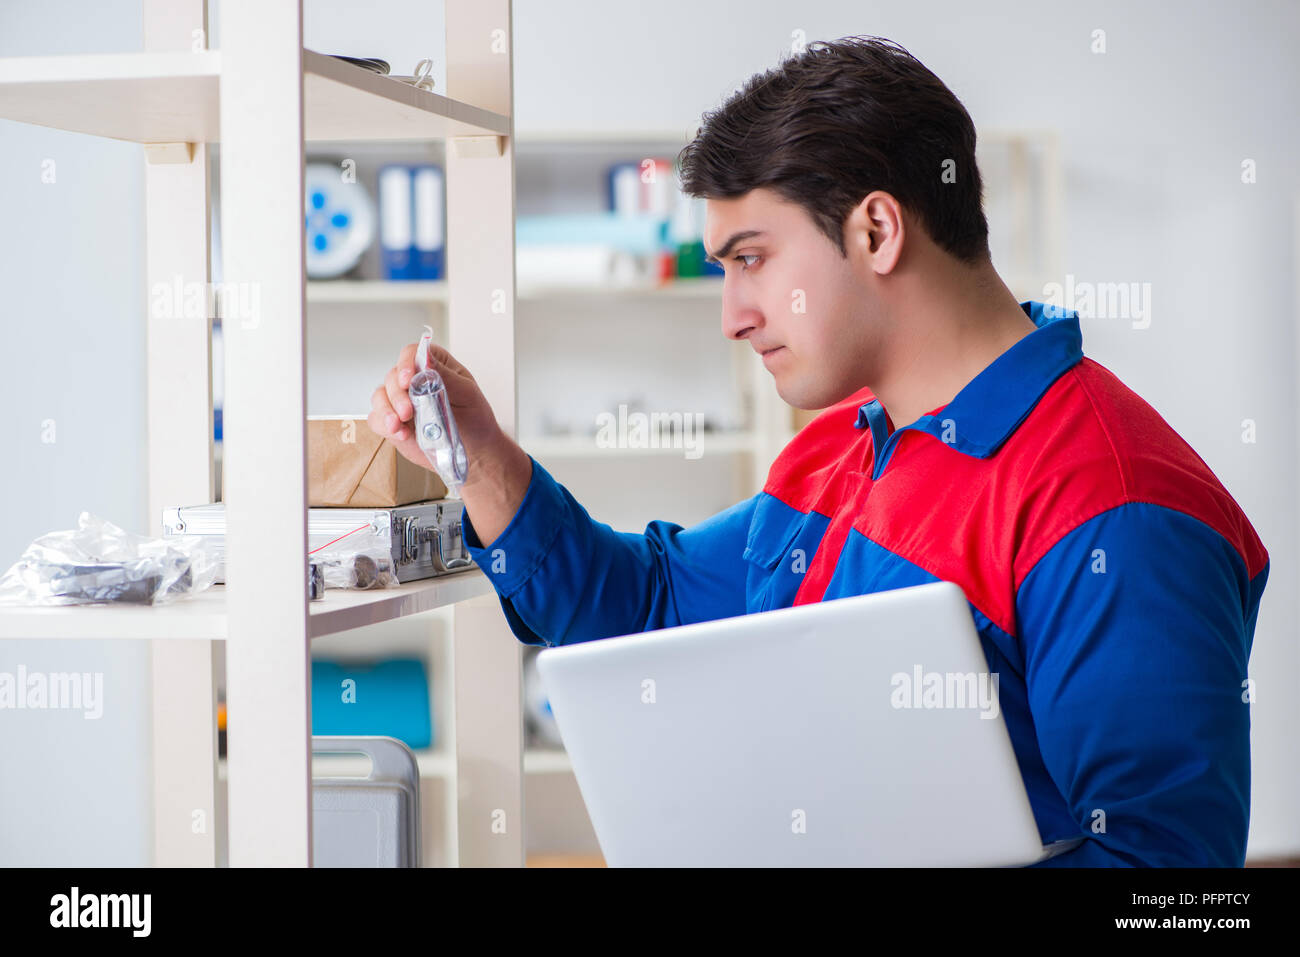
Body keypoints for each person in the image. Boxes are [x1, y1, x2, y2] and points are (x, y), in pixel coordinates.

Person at [369, 36, 1268, 867]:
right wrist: (479, 454)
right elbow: (650, 606)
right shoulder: (837, 453)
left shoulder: (1114, 505)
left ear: (876, 231)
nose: (731, 316)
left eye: (751, 259)